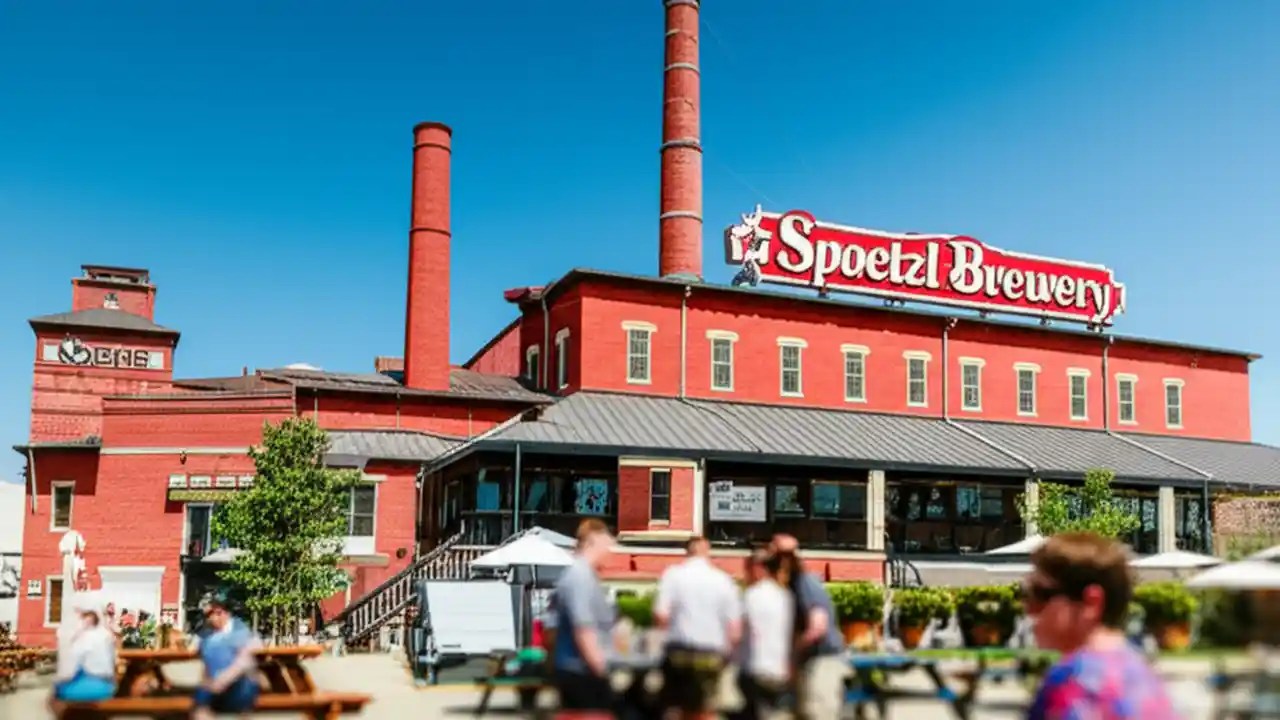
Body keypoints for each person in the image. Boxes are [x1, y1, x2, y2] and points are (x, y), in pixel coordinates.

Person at [1024, 532, 1177, 720]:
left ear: (1091, 603)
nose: (1029, 608)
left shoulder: (1073, 682)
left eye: (1040, 594)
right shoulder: (1143, 676)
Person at [654, 536, 743, 719]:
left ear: (687, 552)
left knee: (678, 706)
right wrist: (729, 656)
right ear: (708, 551)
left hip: (679, 652)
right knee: (706, 707)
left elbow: (661, 615)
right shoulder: (723, 580)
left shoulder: (673, 575)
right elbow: (734, 627)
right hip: (710, 653)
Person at [771, 533, 848, 720]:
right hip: (809, 660)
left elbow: (817, 626)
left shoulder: (804, 582)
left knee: (816, 712)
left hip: (822, 659)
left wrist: (794, 653)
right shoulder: (791, 586)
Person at [552, 518, 618, 716]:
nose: (609, 553)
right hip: (579, 666)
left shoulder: (583, 575)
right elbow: (583, 626)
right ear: (592, 542)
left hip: (575, 665)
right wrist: (599, 668)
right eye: (606, 546)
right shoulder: (580, 576)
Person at [732, 548, 794, 720]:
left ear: (757, 569)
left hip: (754, 669)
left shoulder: (751, 596)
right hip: (779, 671)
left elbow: (735, 632)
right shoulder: (785, 597)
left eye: (746, 569)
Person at [193, 591, 262, 719]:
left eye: (209, 614)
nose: (208, 619)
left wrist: (223, 680)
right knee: (201, 703)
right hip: (214, 685)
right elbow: (205, 663)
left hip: (240, 683)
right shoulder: (208, 635)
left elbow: (246, 660)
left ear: (221, 612)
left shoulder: (240, 630)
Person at [48, 591, 117, 709]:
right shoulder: (106, 635)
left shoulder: (83, 637)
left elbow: (69, 668)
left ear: (86, 618)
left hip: (86, 687)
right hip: (106, 687)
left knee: (53, 696)